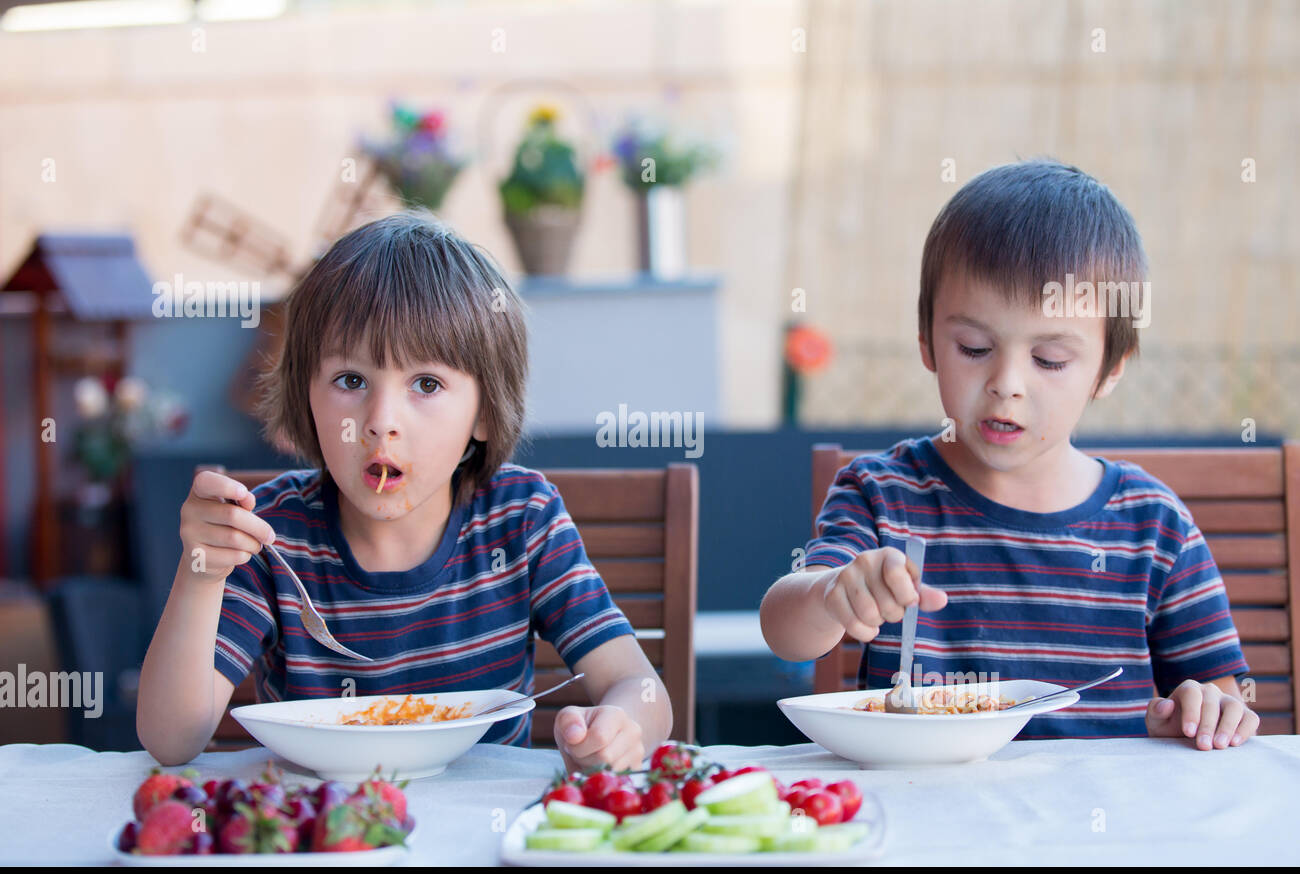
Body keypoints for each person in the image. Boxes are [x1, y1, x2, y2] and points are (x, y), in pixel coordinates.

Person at [138, 210, 671, 770]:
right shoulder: (273, 536)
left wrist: (619, 726)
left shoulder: (521, 519)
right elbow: (171, 741)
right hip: (326, 835)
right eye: (351, 380)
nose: (381, 420)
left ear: (484, 413)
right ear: (307, 399)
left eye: (426, 384)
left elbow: (642, 688)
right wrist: (201, 574)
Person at [760, 159, 1258, 748]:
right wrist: (831, 593)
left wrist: (1206, 711)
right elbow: (785, 630)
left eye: (1049, 360)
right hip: (932, 814)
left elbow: (1222, 699)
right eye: (974, 347)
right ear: (927, 341)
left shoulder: (1153, 526)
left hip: (1102, 830)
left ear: (1109, 369)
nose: (1007, 382)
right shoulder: (880, 493)